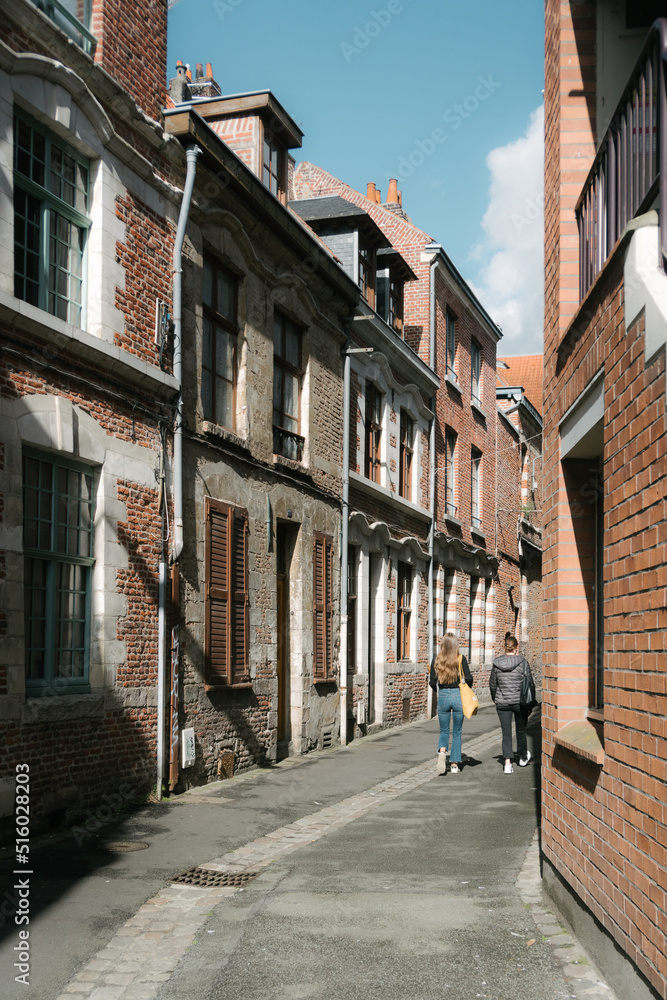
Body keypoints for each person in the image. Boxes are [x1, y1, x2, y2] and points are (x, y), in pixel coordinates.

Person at [489, 634, 535, 774]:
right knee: (521, 730)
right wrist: (530, 703)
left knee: (506, 733)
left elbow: (492, 684)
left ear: (504, 647)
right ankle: (522, 757)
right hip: (519, 702)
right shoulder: (522, 662)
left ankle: (507, 764)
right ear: (516, 648)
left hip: (502, 703)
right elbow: (530, 683)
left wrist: (496, 698)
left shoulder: (497, 663)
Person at [429, 633, 473, 775]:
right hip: (457, 695)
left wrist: (440, 689)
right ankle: (454, 764)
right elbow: (470, 678)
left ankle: (442, 750)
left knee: (444, 730)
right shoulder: (461, 659)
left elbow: (432, 682)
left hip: (442, 695)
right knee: (457, 732)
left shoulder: (437, 660)